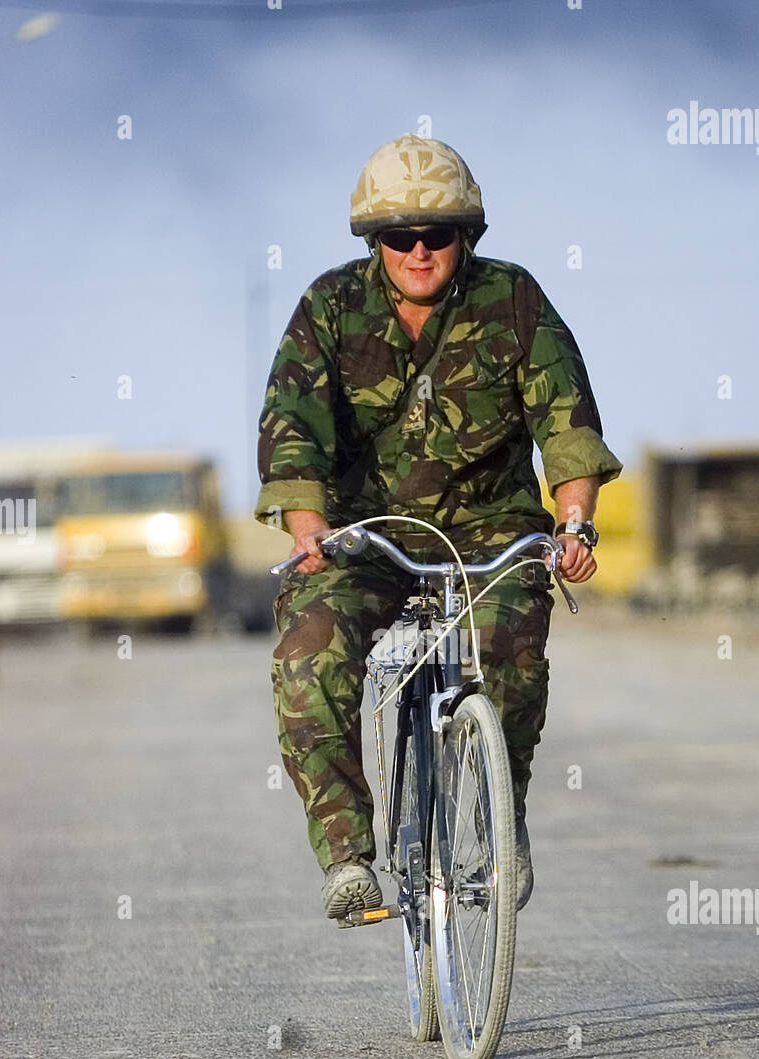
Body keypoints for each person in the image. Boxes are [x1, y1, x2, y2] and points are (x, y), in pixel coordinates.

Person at [255, 135, 621, 921]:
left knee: (510, 651)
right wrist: (310, 528)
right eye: (398, 237)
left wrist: (576, 522)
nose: (419, 252)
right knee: (305, 658)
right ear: (373, 242)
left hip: (493, 534)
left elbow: (567, 424)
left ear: (468, 235)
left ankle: (502, 810)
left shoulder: (515, 301)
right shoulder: (329, 307)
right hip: (366, 538)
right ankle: (349, 855)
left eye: (437, 235)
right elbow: (293, 426)